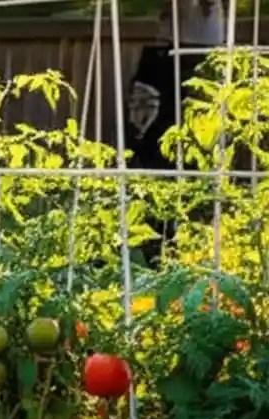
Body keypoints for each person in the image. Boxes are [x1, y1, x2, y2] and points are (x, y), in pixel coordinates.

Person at [125, 0, 225, 264]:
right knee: (157, 166)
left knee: (197, 173)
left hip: (199, 54)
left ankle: (177, 249)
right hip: (173, 53)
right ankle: (160, 250)